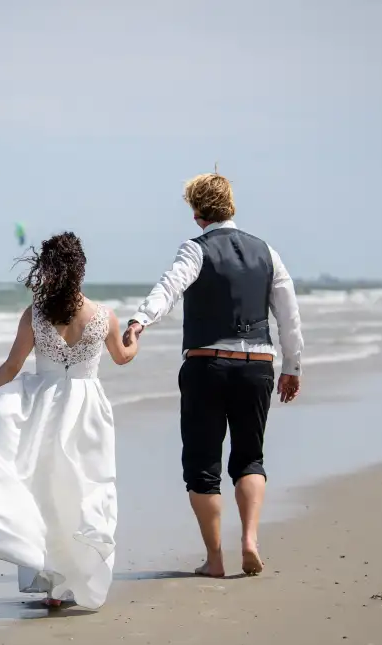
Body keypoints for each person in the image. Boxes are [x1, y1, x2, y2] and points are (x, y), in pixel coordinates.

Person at [0, 232, 138, 610]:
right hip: (88, 411)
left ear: (48, 270)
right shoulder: (105, 316)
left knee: (46, 492)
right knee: (86, 491)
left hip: (44, 409)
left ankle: (54, 586)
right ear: (81, 269)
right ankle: (74, 581)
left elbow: (11, 367)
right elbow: (122, 357)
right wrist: (134, 335)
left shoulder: (35, 314)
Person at [124, 172, 303, 578]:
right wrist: (292, 366)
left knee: (203, 466)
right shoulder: (268, 252)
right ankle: (251, 540)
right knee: (250, 458)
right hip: (258, 366)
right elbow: (288, 315)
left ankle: (216, 558)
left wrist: (140, 320)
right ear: (231, 205)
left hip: (207, 366)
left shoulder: (196, 249)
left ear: (196, 211)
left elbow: (170, 287)